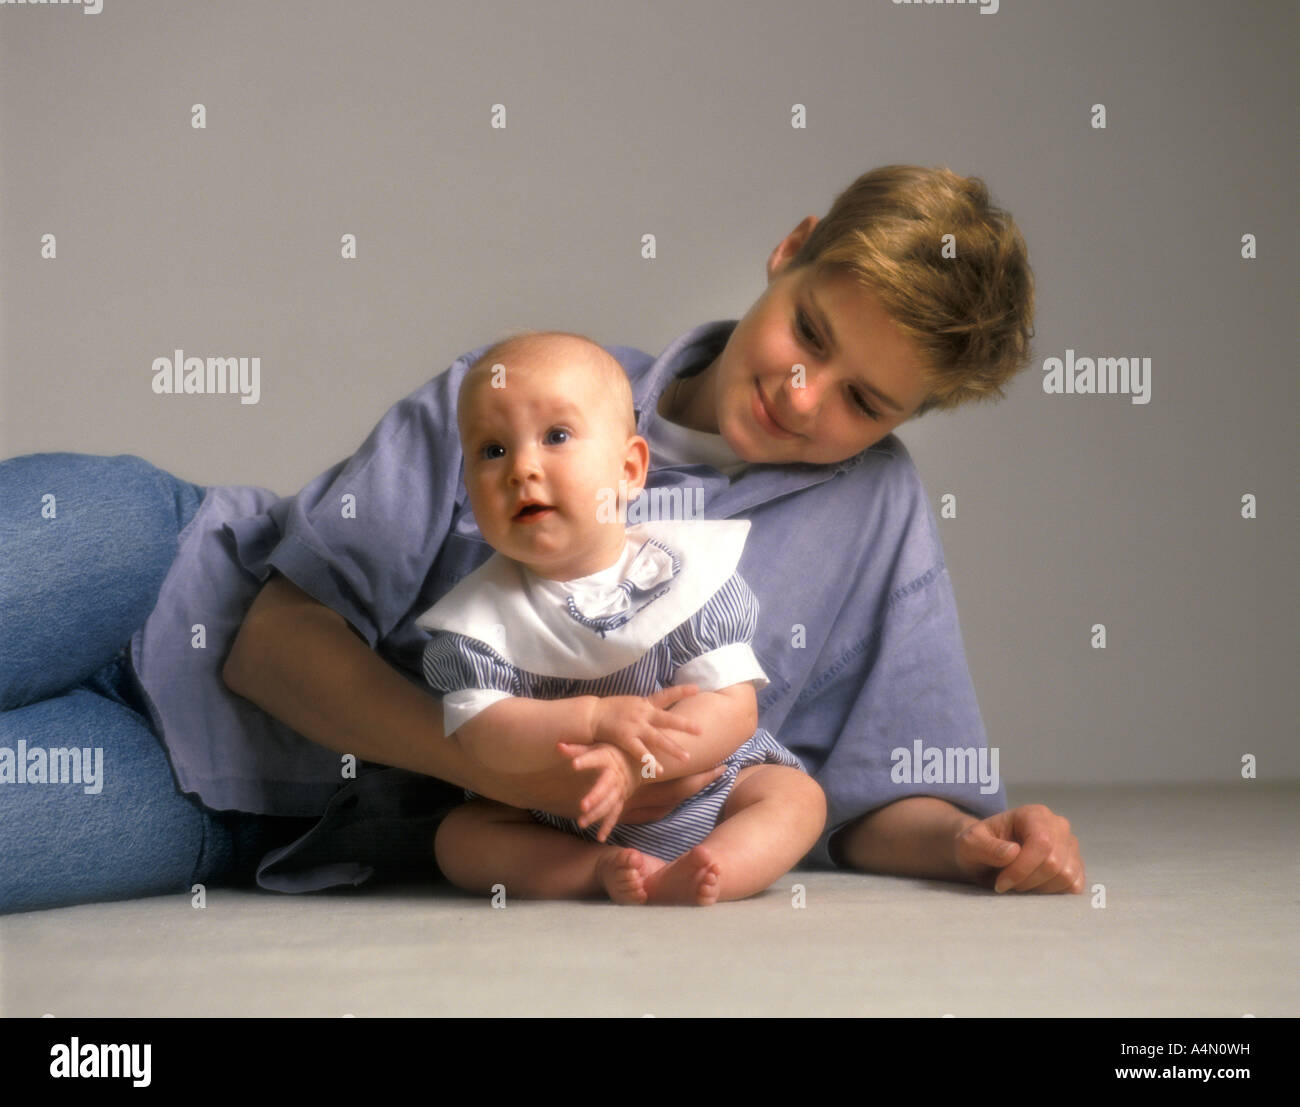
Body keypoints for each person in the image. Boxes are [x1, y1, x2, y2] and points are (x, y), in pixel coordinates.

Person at [0, 165, 1084, 915]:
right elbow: (269, 646)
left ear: (905, 421)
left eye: (866, 401)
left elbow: (871, 793)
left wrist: (969, 845)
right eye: (808, 332)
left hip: (238, 808)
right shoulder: (533, 387)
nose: (804, 397)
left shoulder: (872, 517)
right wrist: (515, 769)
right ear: (790, 252)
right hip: (159, 568)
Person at [420, 333, 826, 905]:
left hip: (701, 789)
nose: (522, 469)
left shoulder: (685, 575)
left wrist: (640, 764)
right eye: (492, 451)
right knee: (460, 841)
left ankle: (716, 867)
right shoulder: (482, 620)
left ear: (630, 468)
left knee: (794, 796)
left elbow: (735, 708)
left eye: (556, 436)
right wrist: (591, 719)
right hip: (559, 814)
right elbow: (486, 738)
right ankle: (599, 868)